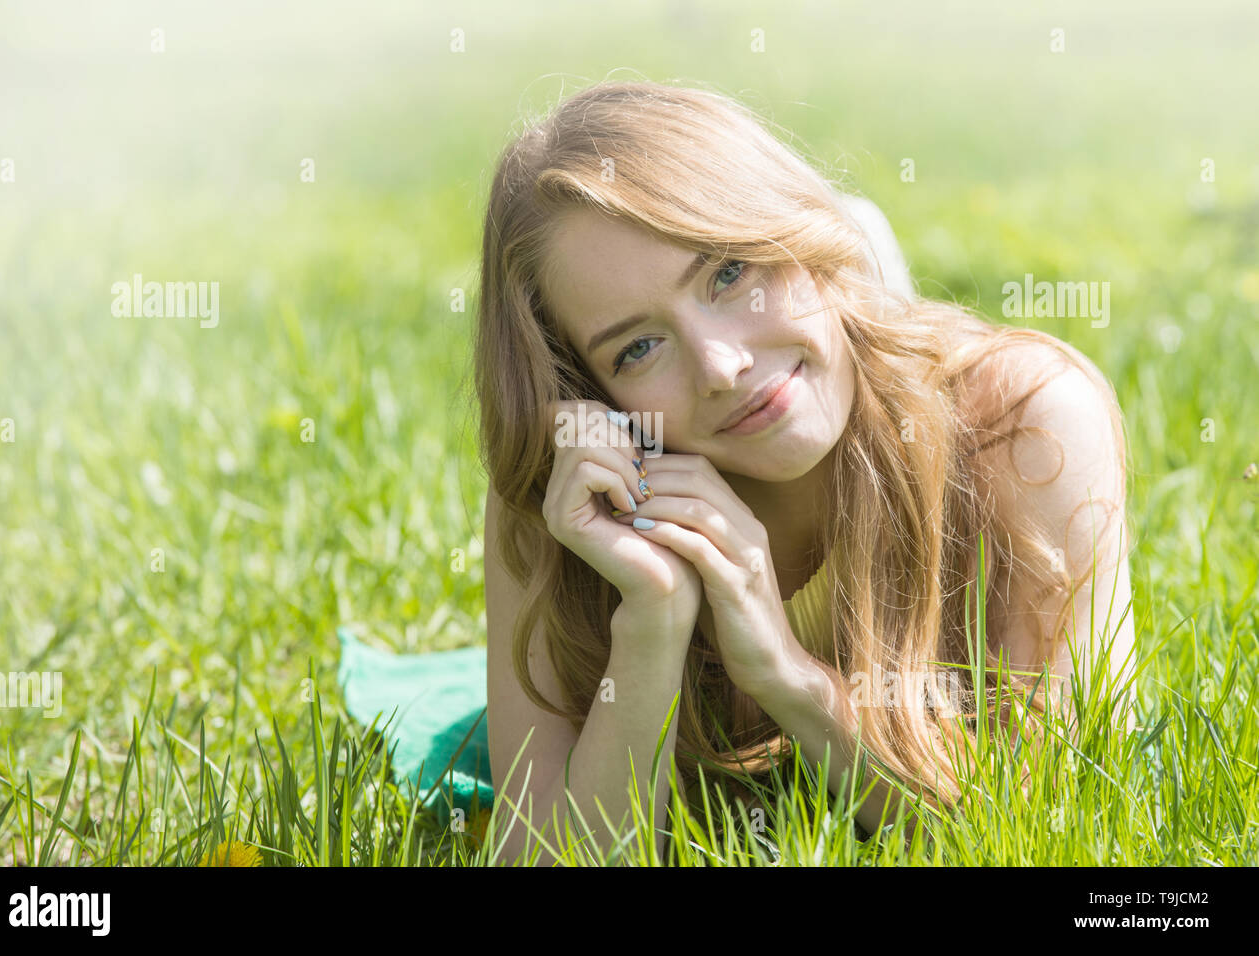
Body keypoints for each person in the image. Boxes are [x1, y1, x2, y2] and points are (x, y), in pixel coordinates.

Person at [474, 80, 1137, 865]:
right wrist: (649, 625)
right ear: (590, 393)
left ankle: (865, 277)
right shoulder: (573, 497)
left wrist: (789, 676)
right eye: (637, 348)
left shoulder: (1024, 420)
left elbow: (1061, 829)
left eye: (727, 272)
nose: (721, 366)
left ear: (793, 230)